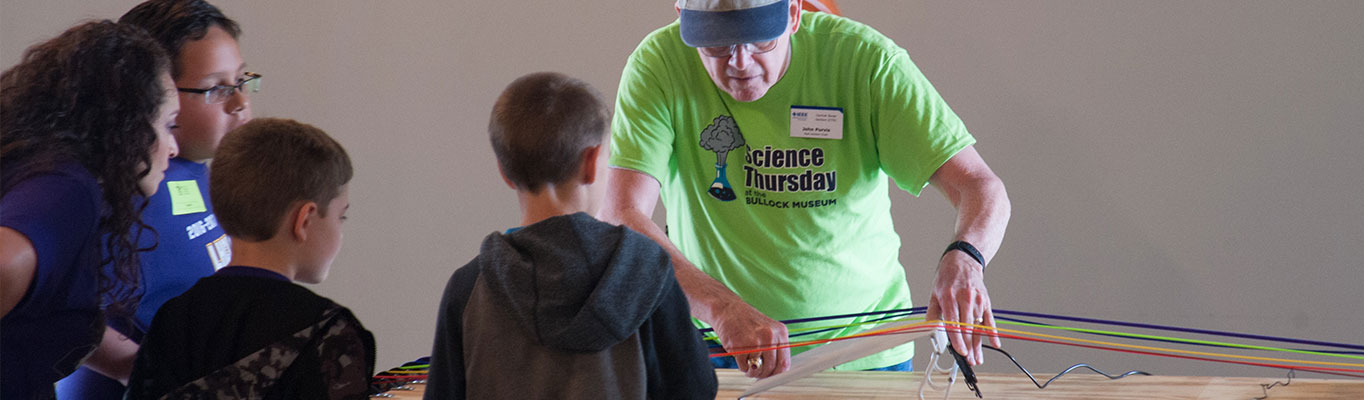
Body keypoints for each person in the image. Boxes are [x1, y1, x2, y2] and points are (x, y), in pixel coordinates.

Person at [603, 0, 1012, 377]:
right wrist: (721, 309)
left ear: (793, 13)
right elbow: (622, 214)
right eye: (717, 46)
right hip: (718, 342)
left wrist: (966, 258)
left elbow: (979, 185)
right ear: (682, 19)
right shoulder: (658, 64)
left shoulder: (865, 61)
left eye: (761, 39)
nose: (740, 62)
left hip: (863, 351)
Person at [425, 72, 717, 399]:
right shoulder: (646, 271)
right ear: (592, 162)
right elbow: (695, 390)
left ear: (504, 171)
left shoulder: (469, 288)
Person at [58, 1, 255, 397]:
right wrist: (136, 367)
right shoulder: (115, 188)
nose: (240, 102)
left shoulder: (200, 170)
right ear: (149, 91)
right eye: (217, 89)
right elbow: (60, 303)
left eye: (242, 80)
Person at [124, 118, 374, 399]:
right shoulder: (331, 332)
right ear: (304, 220)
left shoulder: (172, 319)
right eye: (341, 217)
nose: (341, 230)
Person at [0, 20, 179, 400]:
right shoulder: (67, 190)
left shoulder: (39, 168)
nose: (173, 147)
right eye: (168, 125)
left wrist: (141, 367)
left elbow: (34, 318)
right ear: (128, 125)